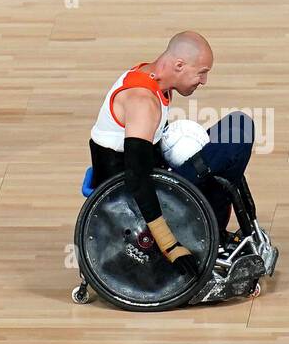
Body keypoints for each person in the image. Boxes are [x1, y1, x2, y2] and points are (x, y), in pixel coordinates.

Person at [88, 31, 257, 274]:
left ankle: (214, 228)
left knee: (237, 125)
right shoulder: (143, 102)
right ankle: (211, 235)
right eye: (202, 72)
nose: (204, 80)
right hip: (129, 198)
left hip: (152, 174)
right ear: (179, 65)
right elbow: (136, 179)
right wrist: (170, 245)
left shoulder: (151, 78)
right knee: (235, 145)